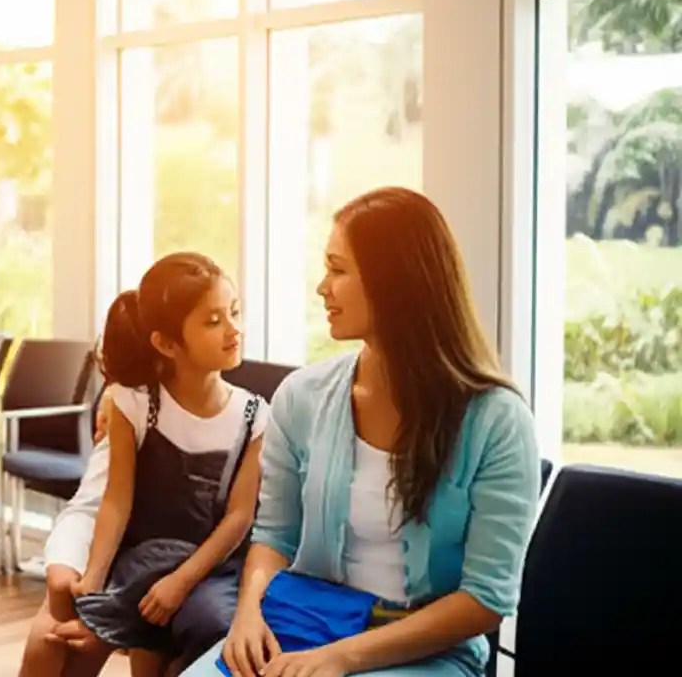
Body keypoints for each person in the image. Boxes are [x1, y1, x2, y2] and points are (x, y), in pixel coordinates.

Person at [186, 187, 540, 677]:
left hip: (425, 652)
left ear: (394, 281)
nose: (322, 287)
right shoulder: (302, 397)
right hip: (300, 621)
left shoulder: (498, 422)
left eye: (337, 269)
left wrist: (342, 657)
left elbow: (486, 598)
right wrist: (246, 614)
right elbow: (273, 537)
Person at [66, 252, 271, 676]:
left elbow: (239, 518)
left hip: (211, 565)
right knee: (105, 621)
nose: (234, 330)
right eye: (213, 322)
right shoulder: (133, 403)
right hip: (143, 558)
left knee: (211, 622)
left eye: (234, 313)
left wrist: (181, 581)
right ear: (166, 343)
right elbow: (117, 500)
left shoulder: (255, 415)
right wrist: (93, 577)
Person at [18, 388, 117, 677]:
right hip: (94, 518)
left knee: (92, 621)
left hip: (155, 537)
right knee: (62, 608)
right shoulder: (122, 399)